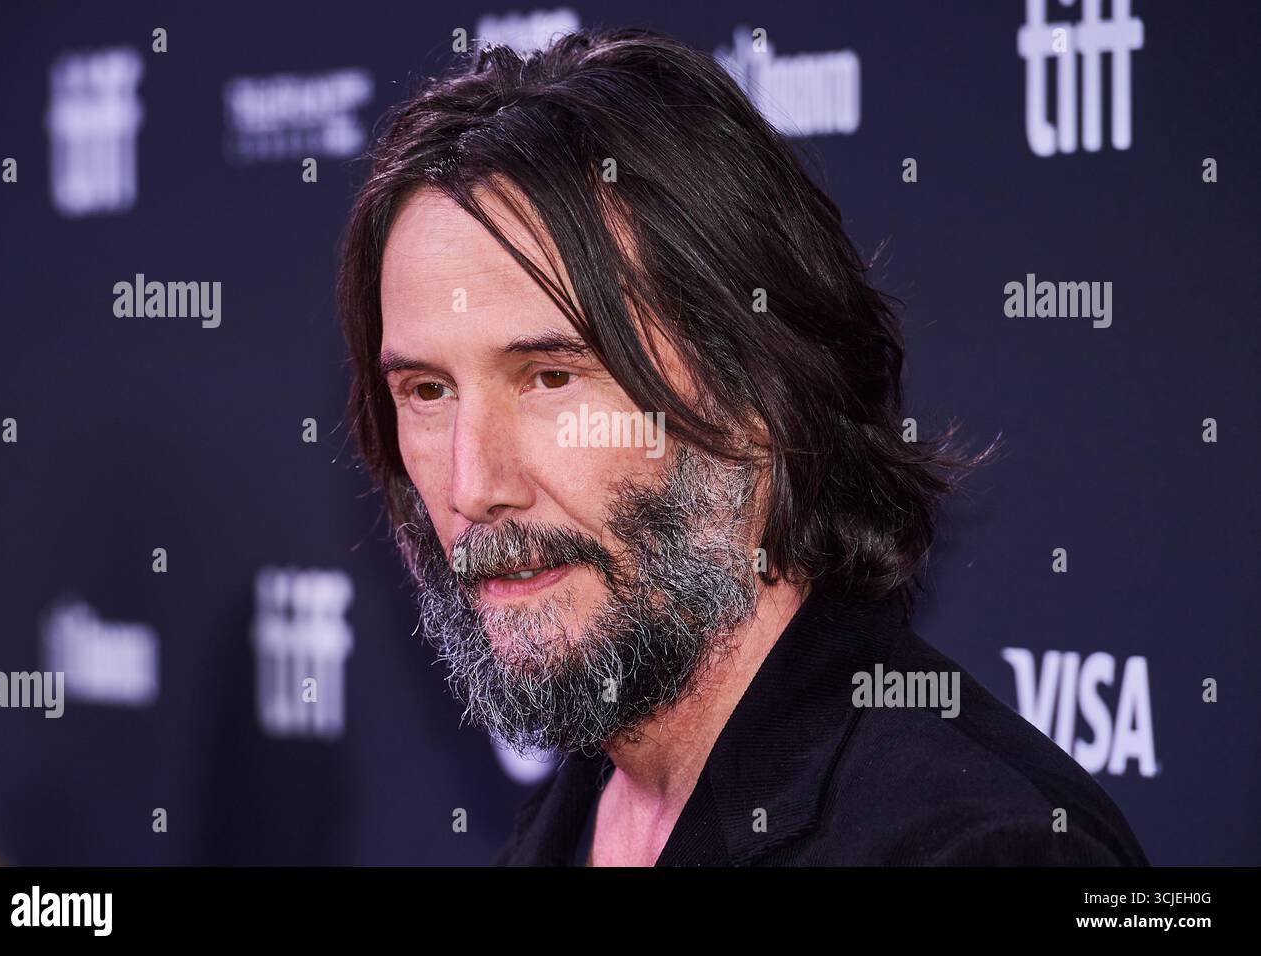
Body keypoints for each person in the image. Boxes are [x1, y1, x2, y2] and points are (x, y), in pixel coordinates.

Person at [337, 26, 1147, 866]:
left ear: (757, 394)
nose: (473, 486)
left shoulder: (982, 845)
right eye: (428, 392)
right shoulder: (569, 816)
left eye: (551, 379)